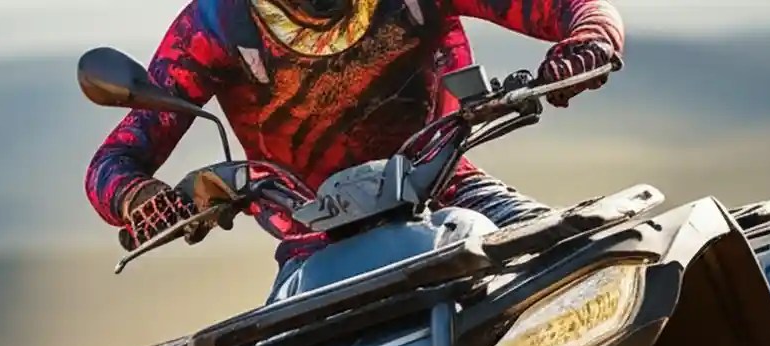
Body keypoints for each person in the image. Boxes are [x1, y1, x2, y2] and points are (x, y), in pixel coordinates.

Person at [85, 0, 624, 298]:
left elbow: (577, 7)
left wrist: (589, 39)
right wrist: (144, 200)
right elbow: (114, 162)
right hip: (312, 244)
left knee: (600, 273)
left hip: (454, 194)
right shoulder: (211, 25)